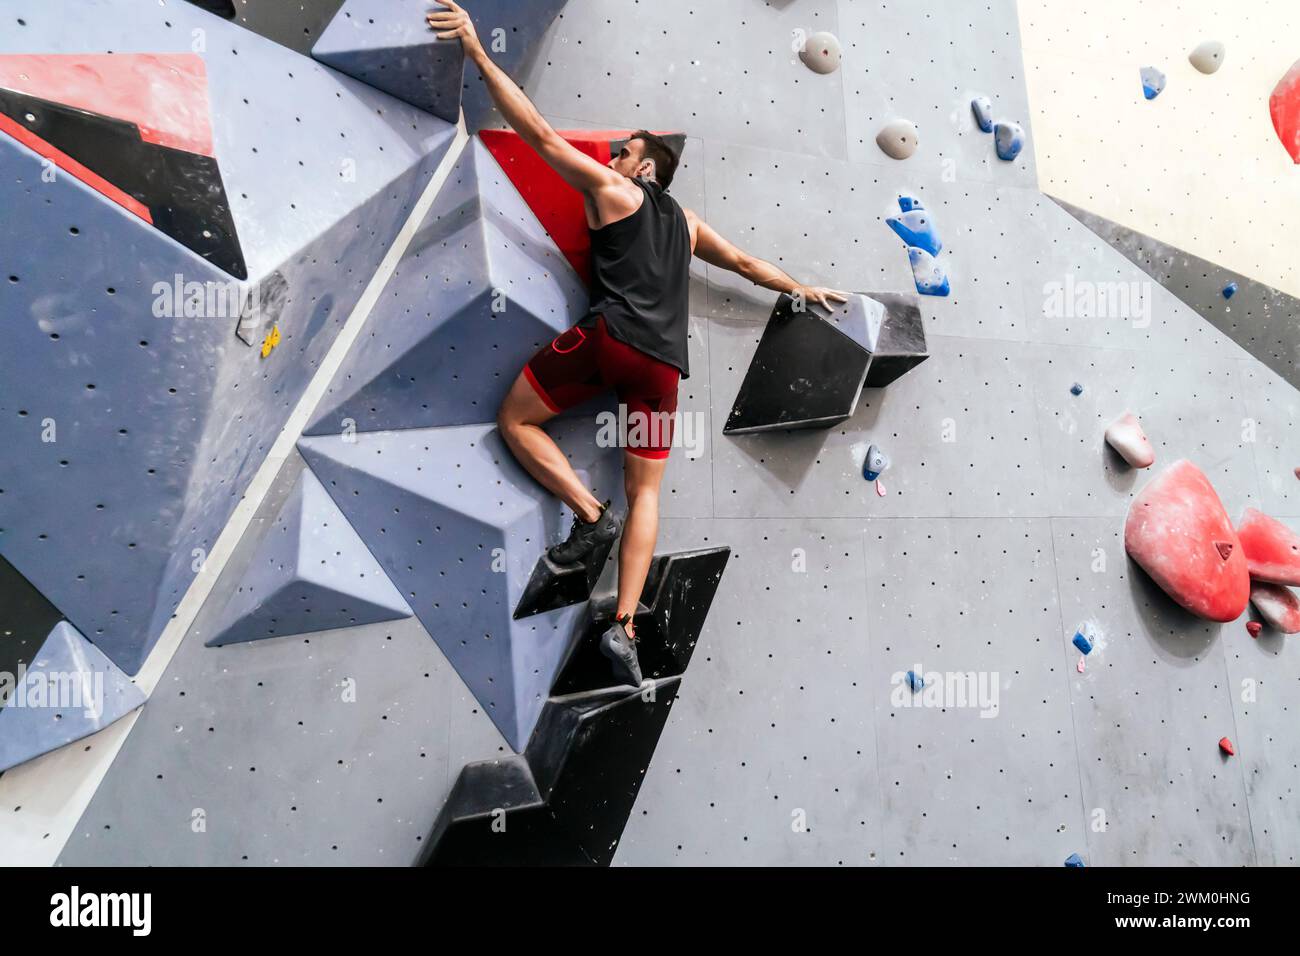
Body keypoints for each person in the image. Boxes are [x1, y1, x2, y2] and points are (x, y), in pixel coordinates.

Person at [428, 1, 847, 685]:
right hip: (662, 369)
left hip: (611, 340)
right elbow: (744, 264)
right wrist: (803, 290)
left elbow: (533, 129)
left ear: (647, 167)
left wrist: (476, 50)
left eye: (623, 149)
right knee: (646, 493)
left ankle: (590, 519)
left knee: (515, 420)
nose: (611, 153)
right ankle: (624, 626)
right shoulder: (686, 223)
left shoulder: (614, 190)